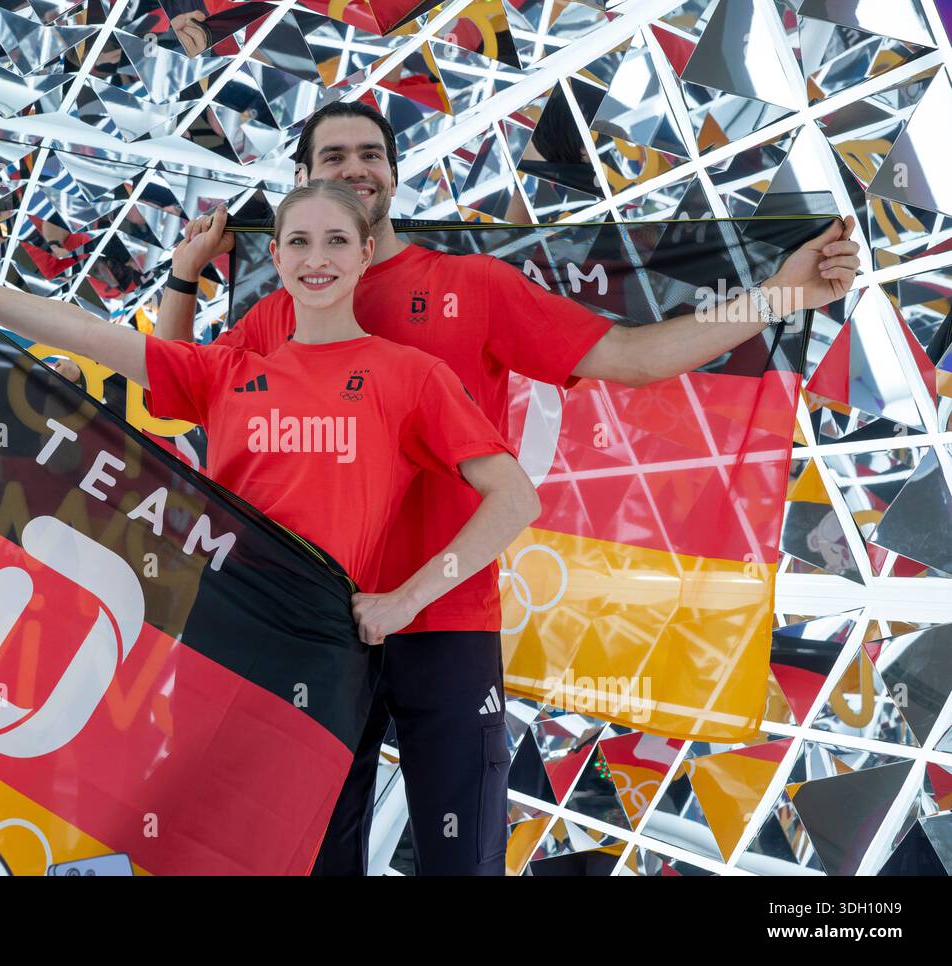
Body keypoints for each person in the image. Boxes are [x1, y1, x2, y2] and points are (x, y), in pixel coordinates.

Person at [156, 99, 862, 875]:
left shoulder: (475, 287)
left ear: (392, 175)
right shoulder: (278, 315)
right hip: (319, 626)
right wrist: (184, 274)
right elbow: (178, 391)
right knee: (313, 860)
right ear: (302, 178)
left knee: (466, 863)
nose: (354, 169)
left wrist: (785, 296)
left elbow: (632, 358)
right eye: (334, 158)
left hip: (448, 622)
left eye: (370, 155)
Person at [0, 178, 541, 704]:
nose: (317, 259)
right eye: (299, 243)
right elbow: (75, 330)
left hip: (321, 641)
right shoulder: (224, 372)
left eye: (336, 241)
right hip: (215, 628)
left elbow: (514, 501)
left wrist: (409, 599)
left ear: (366, 253)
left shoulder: (412, 376)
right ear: (274, 257)